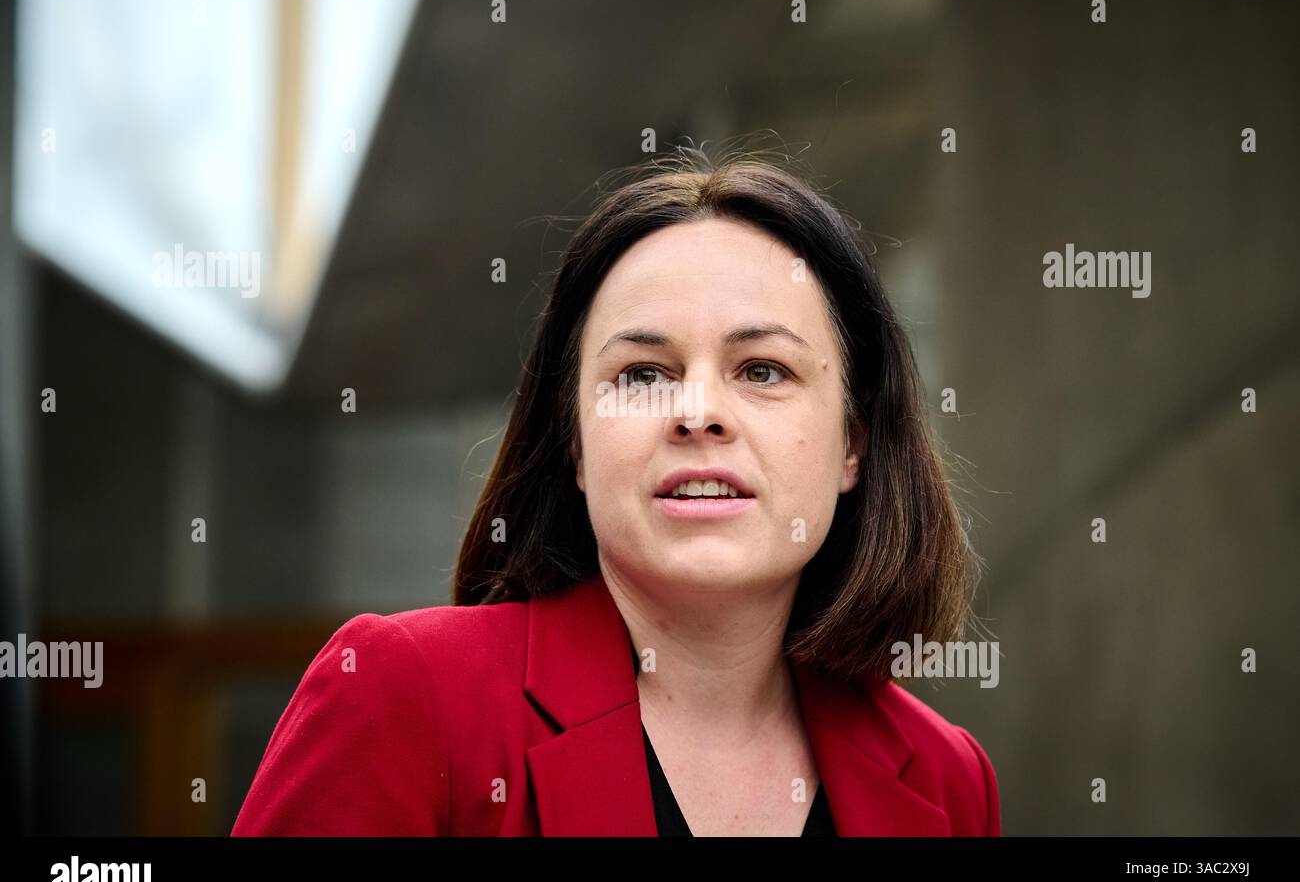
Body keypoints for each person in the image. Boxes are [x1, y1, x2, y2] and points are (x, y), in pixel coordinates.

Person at [231, 141, 1001, 837]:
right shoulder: (404, 697)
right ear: (573, 440)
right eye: (642, 374)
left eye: (762, 369)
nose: (697, 414)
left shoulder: (946, 779)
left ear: (853, 445)